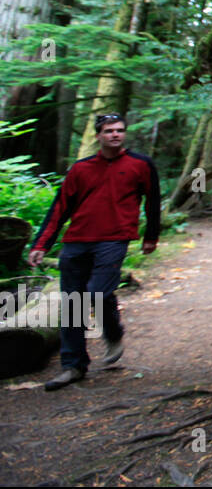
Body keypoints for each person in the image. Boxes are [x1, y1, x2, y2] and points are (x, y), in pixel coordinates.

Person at [27, 113, 160, 390]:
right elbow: (60, 208)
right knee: (73, 303)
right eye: (109, 131)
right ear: (98, 135)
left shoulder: (141, 164)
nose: (115, 135)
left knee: (98, 294)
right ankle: (73, 366)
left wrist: (151, 237)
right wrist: (41, 244)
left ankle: (112, 333)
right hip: (77, 240)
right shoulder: (81, 169)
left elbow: (153, 202)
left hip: (114, 239)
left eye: (120, 130)